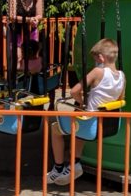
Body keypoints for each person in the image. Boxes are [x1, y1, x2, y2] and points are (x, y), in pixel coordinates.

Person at [48, 38, 124, 184]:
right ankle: (74, 163)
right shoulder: (122, 76)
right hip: (109, 124)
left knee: (55, 129)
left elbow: (75, 91)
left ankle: (58, 167)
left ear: (101, 58)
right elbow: (120, 98)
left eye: (96, 59)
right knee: (79, 123)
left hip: (91, 123)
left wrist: (83, 102)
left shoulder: (97, 72)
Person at [8, 0, 45, 69]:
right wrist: (29, 20)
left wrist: (36, 19)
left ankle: (31, 79)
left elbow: (40, 14)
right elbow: (12, 17)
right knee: (17, 56)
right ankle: (16, 79)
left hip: (31, 30)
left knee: (31, 57)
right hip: (17, 31)